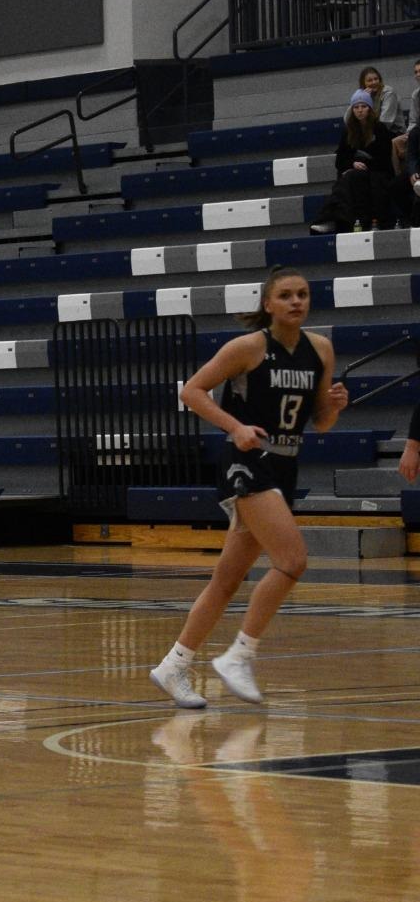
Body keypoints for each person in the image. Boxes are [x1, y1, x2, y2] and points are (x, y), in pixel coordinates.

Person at [149, 269, 347, 708]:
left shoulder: (320, 349)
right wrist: (235, 426)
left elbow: (320, 422)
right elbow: (193, 392)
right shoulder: (249, 347)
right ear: (268, 304)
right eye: (286, 295)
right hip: (247, 461)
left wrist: (334, 407)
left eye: (303, 294)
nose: (296, 301)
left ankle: (174, 665)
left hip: (286, 464)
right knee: (292, 561)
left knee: (227, 580)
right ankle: (240, 654)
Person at [312, 89, 403, 233]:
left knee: (351, 180)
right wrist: (352, 164)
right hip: (355, 172)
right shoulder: (348, 131)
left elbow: (384, 159)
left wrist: (363, 164)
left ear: (370, 109)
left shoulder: (379, 129)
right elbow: (340, 159)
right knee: (345, 181)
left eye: (363, 106)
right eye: (356, 107)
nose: (360, 110)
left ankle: (336, 220)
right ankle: (331, 220)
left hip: (377, 172)